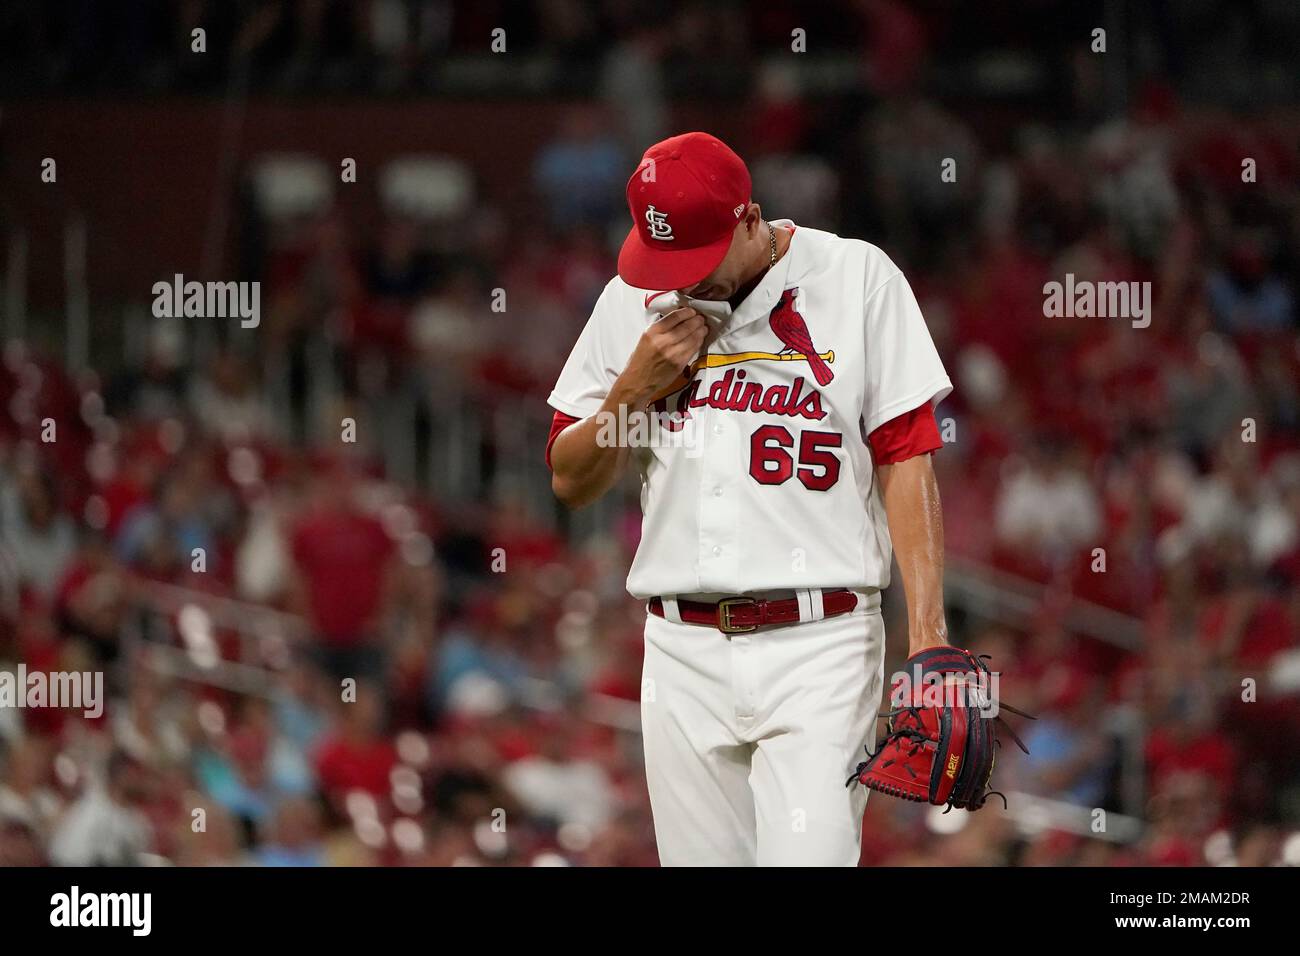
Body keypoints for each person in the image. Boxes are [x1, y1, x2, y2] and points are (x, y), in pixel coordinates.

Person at [545, 132, 953, 865]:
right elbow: (570, 479)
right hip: (680, 649)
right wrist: (631, 390)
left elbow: (907, 458)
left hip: (821, 642)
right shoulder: (629, 303)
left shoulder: (858, 278)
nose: (680, 280)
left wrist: (927, 637)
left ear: (751, 218)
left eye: (697, 257)